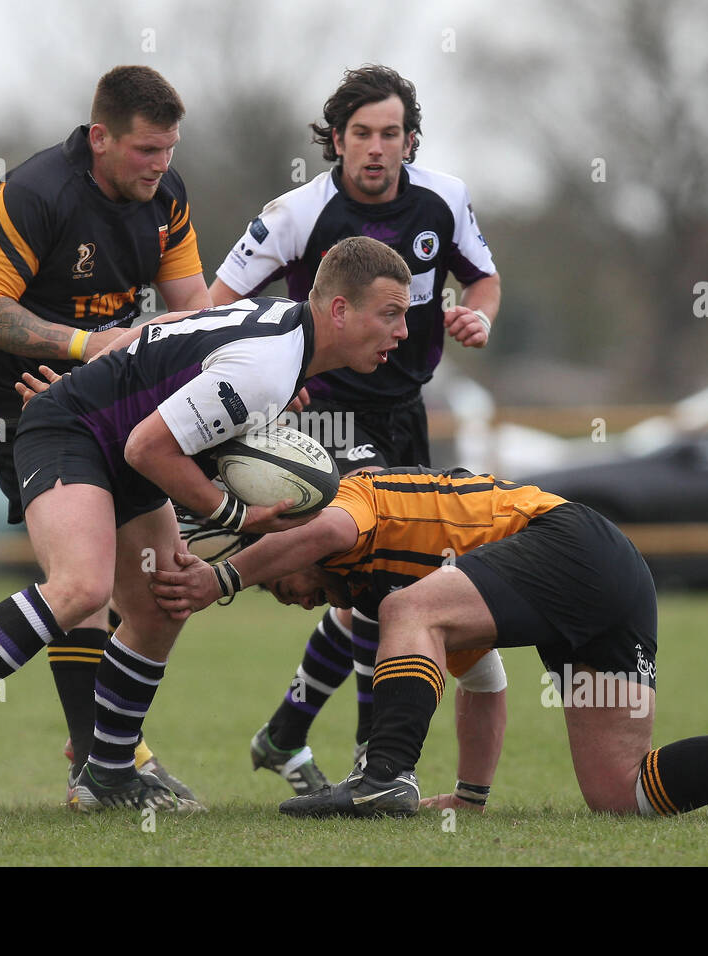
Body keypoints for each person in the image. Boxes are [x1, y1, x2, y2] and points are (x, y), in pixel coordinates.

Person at [0, 236, 411, 811]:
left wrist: (109, 374)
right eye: (390, 315)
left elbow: (172, 325)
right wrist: (234, 514)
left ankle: (107, 775)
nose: (402, 332)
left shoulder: (286, 335)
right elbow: (147, 448)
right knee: (81, 586)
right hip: (75, 433)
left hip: (120, 447)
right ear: (339, 310)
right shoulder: (268, 367)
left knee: (163, 603)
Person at [150, 468, 708, 821]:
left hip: (571, 543)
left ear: (285, 533)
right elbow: (485, 683)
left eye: (285, 582)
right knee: (620, 793)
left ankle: (381, 778)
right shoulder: (412, 612)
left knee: (406, 605)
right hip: (609, 581)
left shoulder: (353, 499)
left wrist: (226, 577)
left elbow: (330, 537)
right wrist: (469, 797)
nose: (295, 597)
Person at [209, 65, 502, 794]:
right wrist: (274, 380)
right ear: (336, 140)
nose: (376, 148)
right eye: (362, 134)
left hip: (407, 413)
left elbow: (483, 279)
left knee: (378, 588)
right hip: (327, 417)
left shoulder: (446, 200)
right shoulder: (295, 214)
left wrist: (478, 314)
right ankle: (378, 763)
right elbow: (216, 306)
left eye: (391, 134)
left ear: (409, 140)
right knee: (388, 587)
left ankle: (287, 734)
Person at [0, 65, 211, 801]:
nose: (160, 166)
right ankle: (101, 766)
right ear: (100, 138)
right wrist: (84, 348)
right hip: (33, 406)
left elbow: (190, 307)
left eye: (168, 150)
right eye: (145, 151)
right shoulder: (34, 194)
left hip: (121, 406)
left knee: (163, 591)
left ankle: (99, 748)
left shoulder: (167, 196)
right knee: (84, 586)